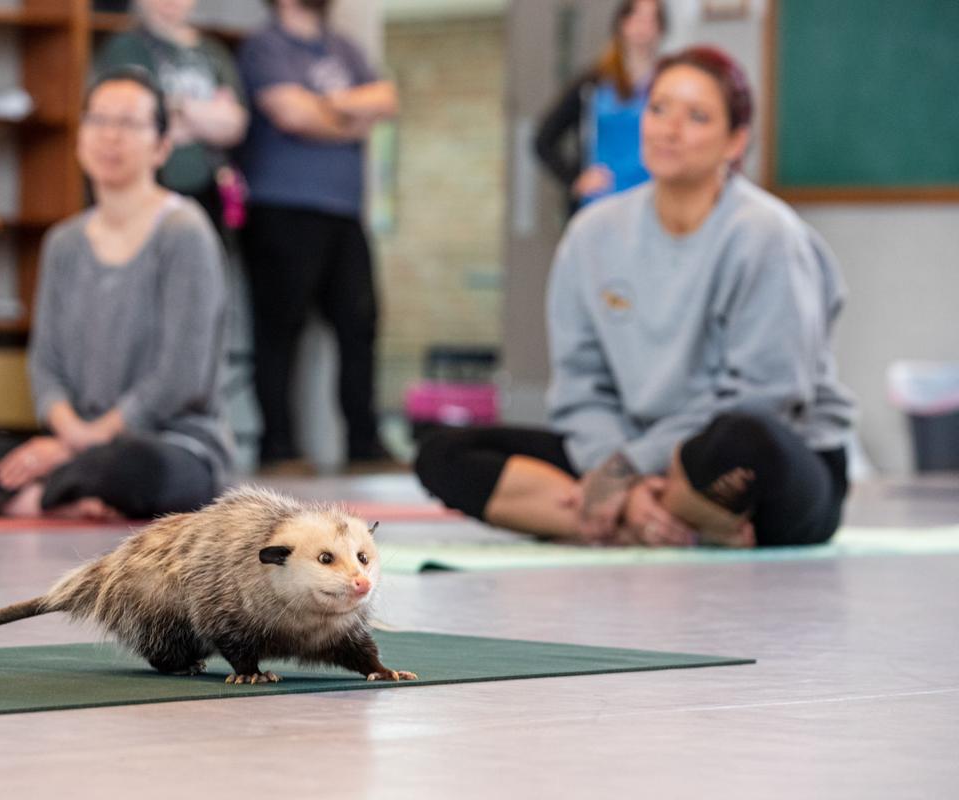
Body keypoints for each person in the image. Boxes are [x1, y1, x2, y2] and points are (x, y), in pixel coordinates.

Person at [415, 46, 856, 549]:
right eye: (658, 108)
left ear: (736, 141)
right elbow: (581, 386)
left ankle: (621, 513)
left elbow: (768, 395)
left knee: (743, 440)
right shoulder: (591, 234)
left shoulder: (766, 235)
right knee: (444, 453)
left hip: (747, 461)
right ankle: (653, 520)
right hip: (624, 453)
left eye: (697, 117)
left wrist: (631, 468)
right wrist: (618, 474)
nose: (669, 128)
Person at [0, 67, 233, 519]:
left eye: (129, 124)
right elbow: (45, 363)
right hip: (75, 445)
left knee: (141, 470)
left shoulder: (184, 231)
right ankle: (52, 497)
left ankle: (41, 494)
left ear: (161, 146)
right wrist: (70, 433)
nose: (110, 136)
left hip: (168, 443)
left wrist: (85, 442)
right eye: (98, 120)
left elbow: (179, 376)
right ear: (79, 136)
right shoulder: (64, 243)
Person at [236, 0, 399, 471]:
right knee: (279, 330)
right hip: (281, 206)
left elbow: (386, 100)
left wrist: (323, 107)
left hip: (345, 211)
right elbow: (290, 114)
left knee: (359, 326)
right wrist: (350, 116)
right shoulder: (265, 46)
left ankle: (364, 445)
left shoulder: (344, 47)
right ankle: (279, 448)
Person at [95, 0, 249, 233]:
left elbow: (235, 124)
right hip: (151, 188)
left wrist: (176, 106)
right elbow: (134, 119)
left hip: (209, 190)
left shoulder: (213, 52)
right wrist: (208, 114)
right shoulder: (126, 48)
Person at [534, 0, 667, 214]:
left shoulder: (667, 83)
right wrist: (574, 179)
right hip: (603, 202)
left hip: (653, 201)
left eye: (652, 19)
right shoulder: (593, 82)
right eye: (637, 17)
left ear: (661, 29)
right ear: (621, 23)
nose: (643, 26)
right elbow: (543, 139)